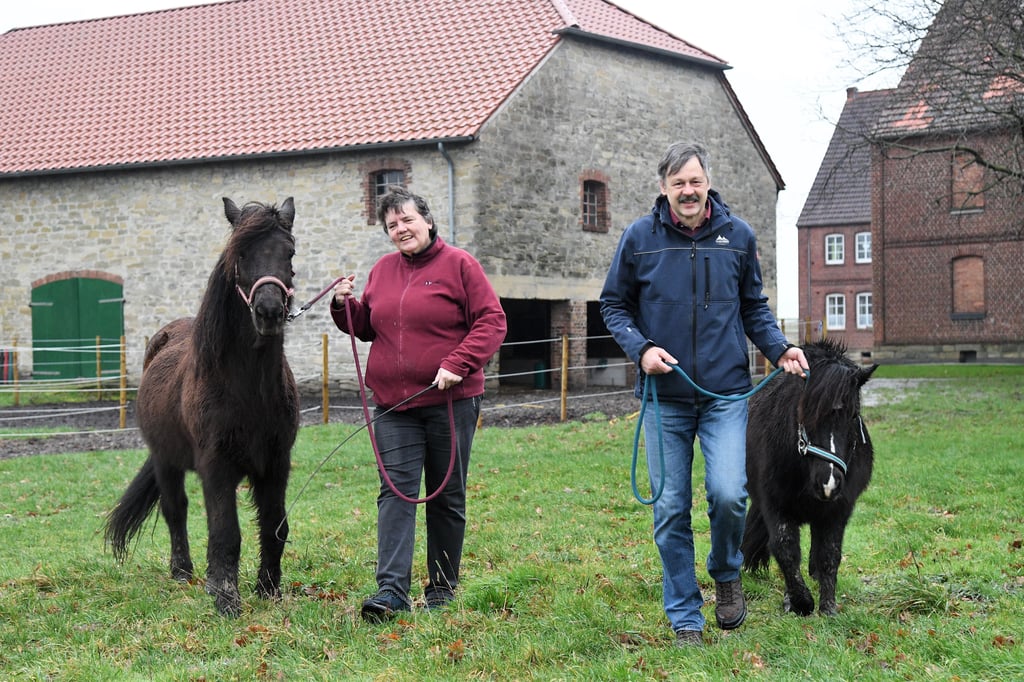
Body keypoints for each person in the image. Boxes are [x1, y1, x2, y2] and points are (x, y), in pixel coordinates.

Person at [599, 142, 808, 647]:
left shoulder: (738, 237)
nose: (688, 192)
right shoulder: (639, 238)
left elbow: (754, 307)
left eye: (695, 182)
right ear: (664, 188)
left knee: (729, 493)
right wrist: (641, 348)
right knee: (670, 508)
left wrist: (779, 348)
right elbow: (613, 305)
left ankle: (726, 570)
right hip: (663, 396)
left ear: (707, 181)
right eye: (678, 184)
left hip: (725, 395)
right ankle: (685, 615)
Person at [331, 185, 506, 622]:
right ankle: (391, 591)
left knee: (446, 494)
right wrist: (342, 306)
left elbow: (492, 320)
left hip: (450, 400)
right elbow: (369, 326)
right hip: (393, 404)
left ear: (427, 220)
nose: (400, 229)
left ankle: (443, 587)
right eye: (392, 225)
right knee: (395, 493)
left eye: (407, 220)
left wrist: (459, 363)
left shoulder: (460, 265)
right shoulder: (384, 270)